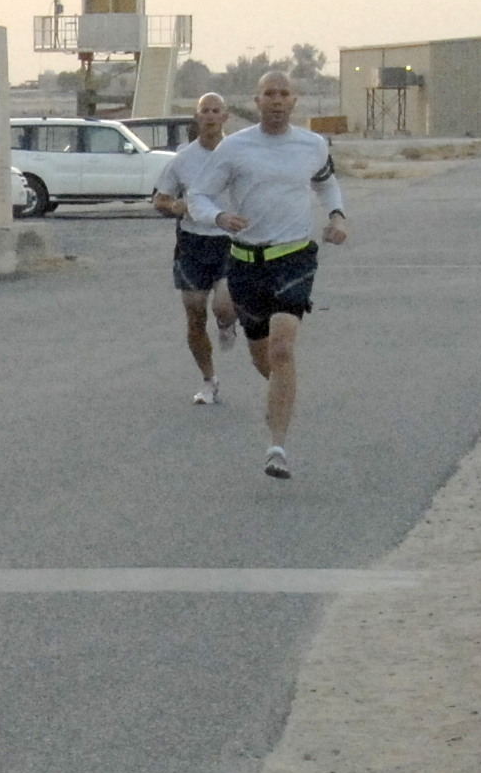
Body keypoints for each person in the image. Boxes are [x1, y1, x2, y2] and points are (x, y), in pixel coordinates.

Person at [179, 72, 350, 477]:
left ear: (295, 101)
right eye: (268, 94)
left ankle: (277, 448)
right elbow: (198, 195)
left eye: (283, 94)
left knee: (282, 348)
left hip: (293, 256)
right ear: (256, 101)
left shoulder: (312, 144)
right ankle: (281, 394)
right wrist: (218, 215)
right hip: (245, 261)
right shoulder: (235, 148)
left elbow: (326, 184)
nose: (276, 101)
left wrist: (337, 215)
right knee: (265, 358)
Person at [143, 89, 238, 404]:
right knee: (195, 314)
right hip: (193, 243)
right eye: (204, 111)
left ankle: (227, 323)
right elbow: (159, 199)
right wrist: (175, 206)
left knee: (222, 305)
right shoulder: (182, 159)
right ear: (197, 118)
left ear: (225, 117)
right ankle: (209, 380)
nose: (210, 117)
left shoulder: (238, 153)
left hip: (230, 241)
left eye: (216, 111)